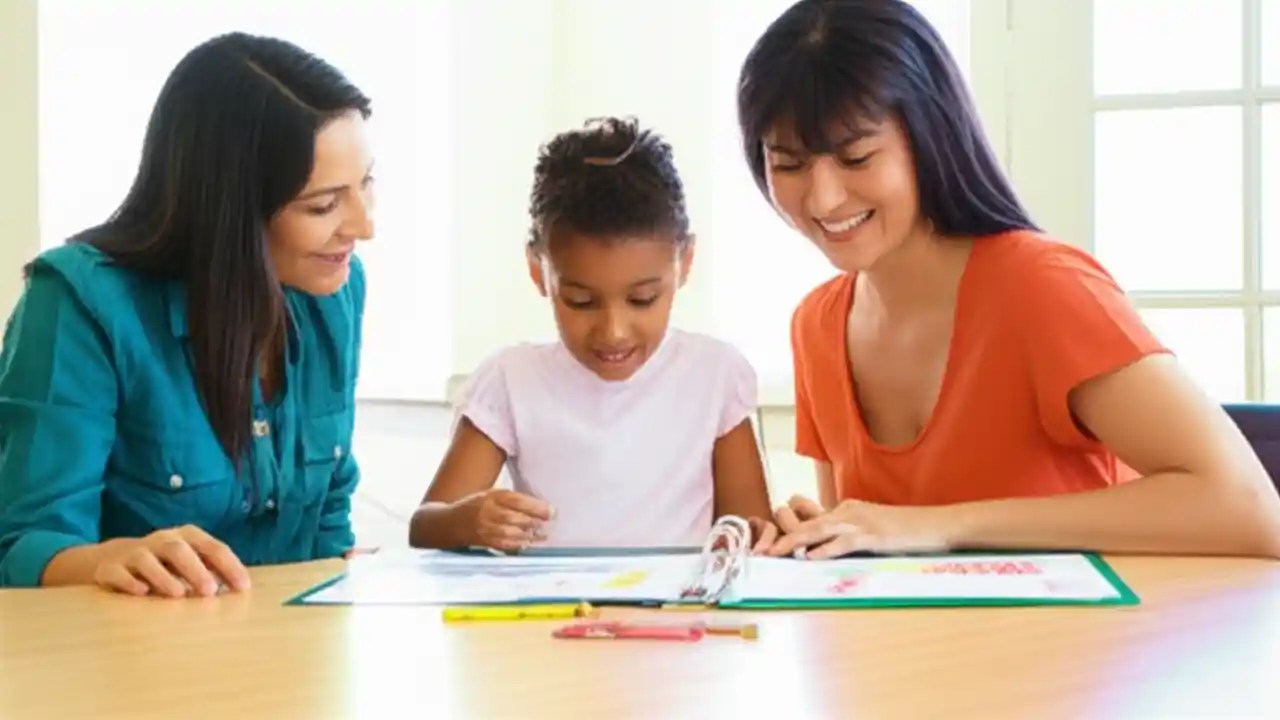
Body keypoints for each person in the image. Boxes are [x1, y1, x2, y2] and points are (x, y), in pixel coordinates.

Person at [734, 0, 1280, 559]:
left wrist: (940, 525)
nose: (823, 199)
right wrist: (821, 536)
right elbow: (870, 561)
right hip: (926, 624)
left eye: (857, 158)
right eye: (789, 164)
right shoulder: (816, 325)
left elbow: (1252, 512)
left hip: (1099, 619)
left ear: (929, 137)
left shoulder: (1042, 289)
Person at [0, 32, 375, 595]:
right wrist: (106, 561)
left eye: (367, 184)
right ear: (231, 210)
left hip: (288, 643)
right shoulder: (80, 304)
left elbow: (327, 519)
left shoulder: (334, 289)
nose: (365, 226)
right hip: (128, 645)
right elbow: (23, 547)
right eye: (323, 205)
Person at [410, 117, 775, 552]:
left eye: (642, 299)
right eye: (581, 301)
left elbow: (751, 535)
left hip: (680, 597)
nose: (613, 332)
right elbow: (424, 527)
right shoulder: (510, 380)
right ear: (538, 271)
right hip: (551, 597)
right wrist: (468, 521)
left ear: (685, 262)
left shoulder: (714, 374)